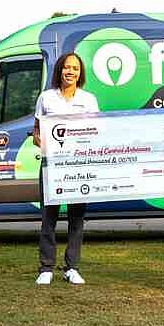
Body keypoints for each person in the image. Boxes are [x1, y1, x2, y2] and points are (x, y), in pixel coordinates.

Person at [32, 52, 99, 285]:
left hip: (79, 165)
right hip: (52, 166)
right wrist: (47, 146)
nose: (71, 72)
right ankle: (46, 268)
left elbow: (94, 133)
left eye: (76, 69)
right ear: (59, 70)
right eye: (67, 67)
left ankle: (72, 267)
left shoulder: (89, 99)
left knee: (77, 218)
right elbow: (36, 135)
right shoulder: (46, 98)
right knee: (48, 218)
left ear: (80, 74)